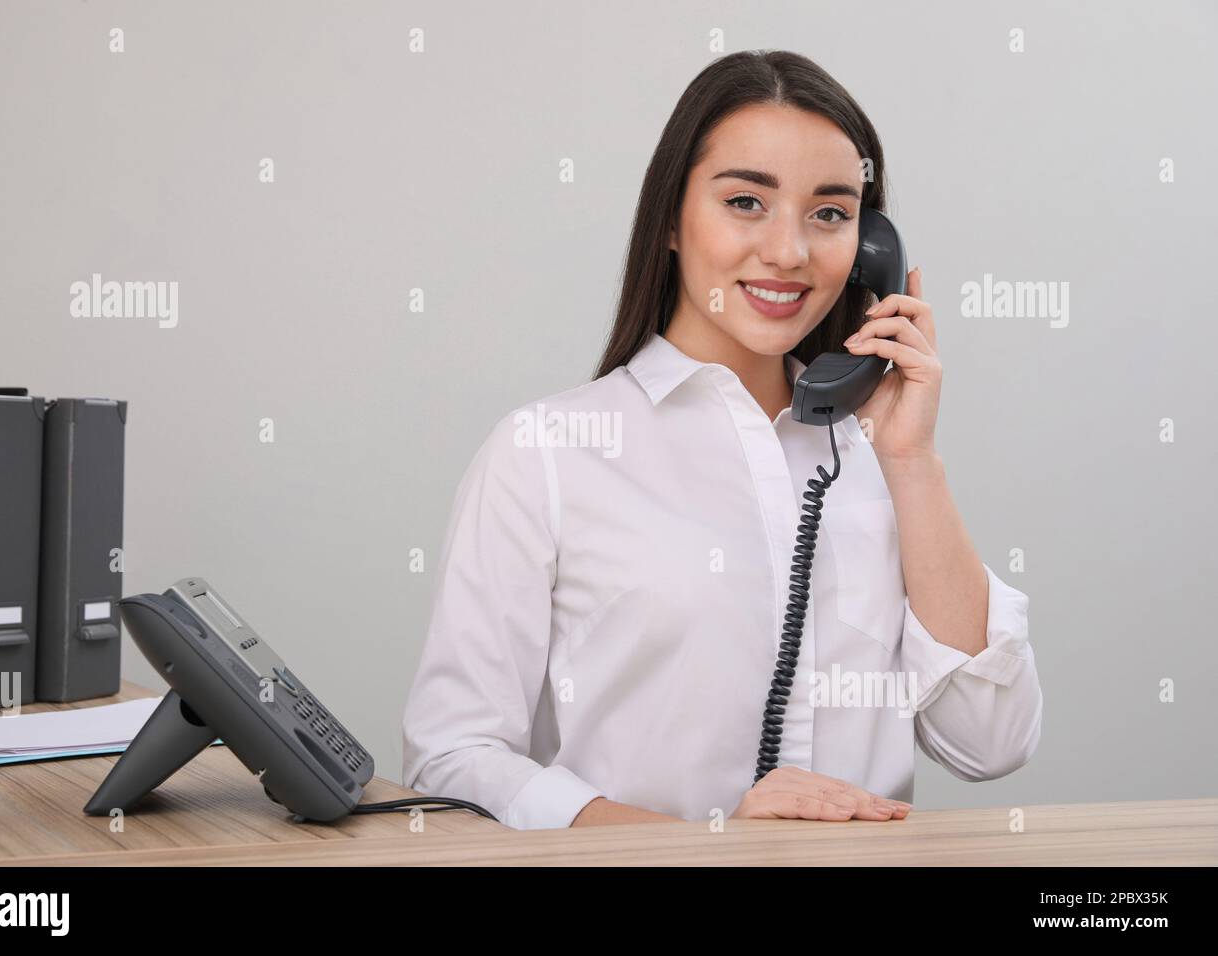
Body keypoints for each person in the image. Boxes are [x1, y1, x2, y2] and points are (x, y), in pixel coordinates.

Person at [402, 50, 1041, 829]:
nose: (788, 253)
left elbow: (991, 742)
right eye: (746, 202)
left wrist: (911, 462)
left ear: (871, 248)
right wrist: (699, 849)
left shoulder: (880, 459)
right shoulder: (546, 453)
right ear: (671, 219)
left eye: (830, 213)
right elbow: (454, 755)